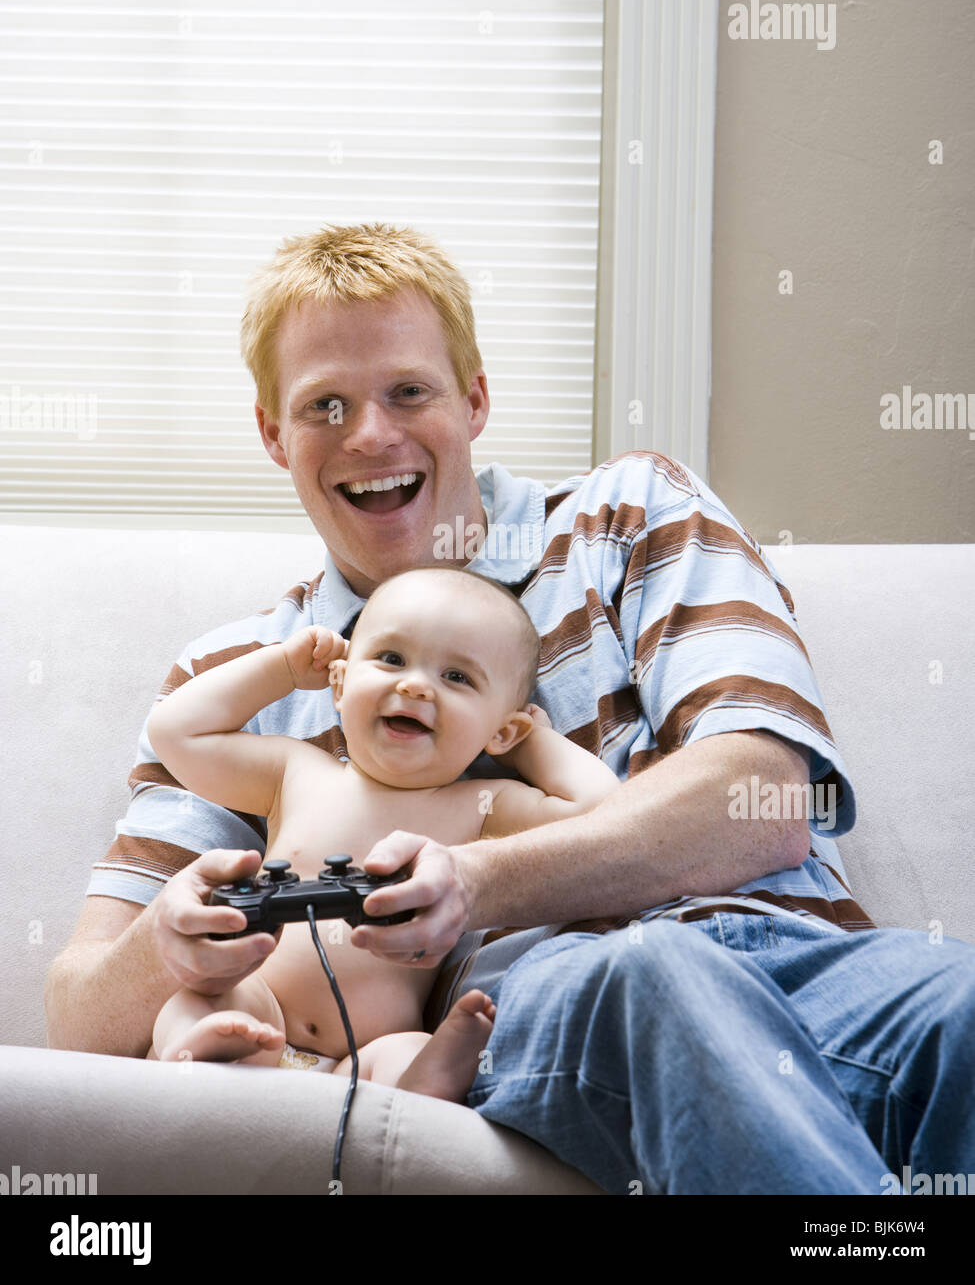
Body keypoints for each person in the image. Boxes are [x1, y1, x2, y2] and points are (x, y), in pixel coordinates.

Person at [46, 223, 975, 1196]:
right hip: (569, 990)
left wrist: (476, 879)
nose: (370, 434)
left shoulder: (628, 518)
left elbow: (773, 797)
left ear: (476, 398)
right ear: (273, 433)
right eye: (325, 404)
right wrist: (166, 945)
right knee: (656, 976)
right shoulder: (248, 677)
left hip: (803, 958)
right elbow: (77, 1012)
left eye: (409, 390)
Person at [147, 565, 618, 1102]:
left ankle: (426, 1080)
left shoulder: (480, 808)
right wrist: (282, 667)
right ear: (341, 685)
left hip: (369, 1047)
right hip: (259, 1001)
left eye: (457, 677)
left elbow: (600, 813)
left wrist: (531, 743)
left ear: (501, 731)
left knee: (409, 1048)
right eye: (391, 659)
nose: (415, 685)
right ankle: (202, 1047)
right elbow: (175, 731)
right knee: (193, 1002)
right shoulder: (294, 773)